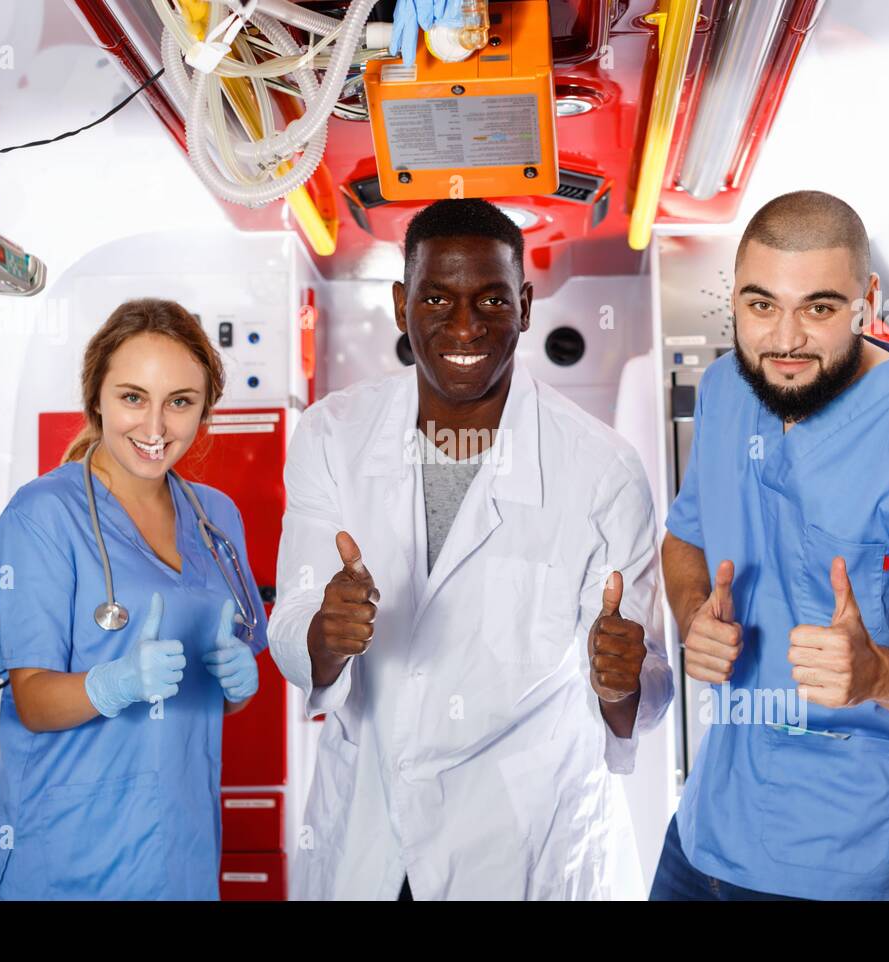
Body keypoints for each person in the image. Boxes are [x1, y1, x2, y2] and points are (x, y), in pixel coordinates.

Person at [268, 198, 673, 900]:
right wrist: (323, 631)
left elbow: (646, 681)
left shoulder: (602, 469)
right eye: (437, 298)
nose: (464, 326)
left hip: (522, 847)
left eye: (491, 299)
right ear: (401, 305)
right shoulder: (332, 437)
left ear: (524, 303)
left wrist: (623, 683)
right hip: (374, 832)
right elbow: (293, 626)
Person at [652, 191, 889, 901]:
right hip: (704, 830)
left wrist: (878, 674)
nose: (784, 340)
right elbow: (683, 538)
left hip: (834, 860)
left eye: (818, 308)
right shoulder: (725, 389)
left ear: (866, 301)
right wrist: (694, 613)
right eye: (760, 306)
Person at [0, 298, 266, 900]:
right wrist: (117, 682)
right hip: (64, 849)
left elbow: (206, 701)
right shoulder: (43, 517)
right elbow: (32, 701)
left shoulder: (217, 519)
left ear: (203, 408)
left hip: (180, 848)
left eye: (179, 402)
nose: (155, 429)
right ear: (96, 398)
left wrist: (236, 687)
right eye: (133, 397)